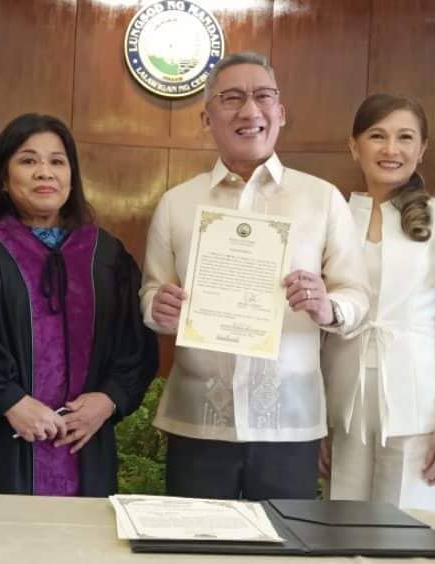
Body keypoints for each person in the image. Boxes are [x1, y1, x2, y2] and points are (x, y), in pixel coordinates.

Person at [141, 51, 369, 501]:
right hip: (198, 421)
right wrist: (157, 307)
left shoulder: (321, 199)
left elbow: (356, 294)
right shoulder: (177, 203)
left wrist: (329, 306)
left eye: (263, 95)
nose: (250, 110)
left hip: (289, 421)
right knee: (195, 549)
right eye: (231, 98)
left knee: (286, 546)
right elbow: (152, 291)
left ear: (280, 112)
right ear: (207, 118)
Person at [0, 113, 158, 497]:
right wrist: (8, 400)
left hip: (83, 446)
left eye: (57, 161)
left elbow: (134, 344)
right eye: (28, 161)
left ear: (71, 177)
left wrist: (109, 400)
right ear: (4, 179)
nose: (45, 172)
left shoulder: (104, 255)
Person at [322, 94, 435, 510]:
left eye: (405, 137)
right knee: (343, 531)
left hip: (419, 404)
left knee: (410, 536)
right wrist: (319, 420)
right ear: (354, 146)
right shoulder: (334, 215)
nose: (391, 149)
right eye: (377, 135)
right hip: (345, 403)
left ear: (422, 148)